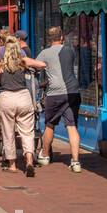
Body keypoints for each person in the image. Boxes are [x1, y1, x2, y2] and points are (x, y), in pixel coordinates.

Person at [0, 37, 47, 176]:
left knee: (8, 132)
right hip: (23, 97)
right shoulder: (23, 61)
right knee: (27, 132)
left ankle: (12, 165)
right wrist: (29, 68)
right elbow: (42, 65)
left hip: (6, 98)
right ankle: (29, 160)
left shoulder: (0, 63)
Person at [36, 26, 84, 173]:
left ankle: (44, 156)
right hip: (72, 92)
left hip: (55, 93)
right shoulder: (69, 51)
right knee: (72, 126)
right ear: (62, 37)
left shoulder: (44, 53)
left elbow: (37, 67)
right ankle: (75, 162)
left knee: (50, 125)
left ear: (49, 39)